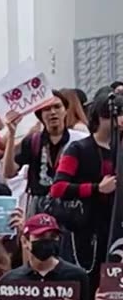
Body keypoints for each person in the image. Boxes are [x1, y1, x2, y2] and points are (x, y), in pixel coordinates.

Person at [50, 92, 120, 281]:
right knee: (89, 280)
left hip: (115, 228)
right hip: (87, 230)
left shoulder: (118, 148)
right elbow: (58, 188)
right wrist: (97, 188)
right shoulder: (79, 148)